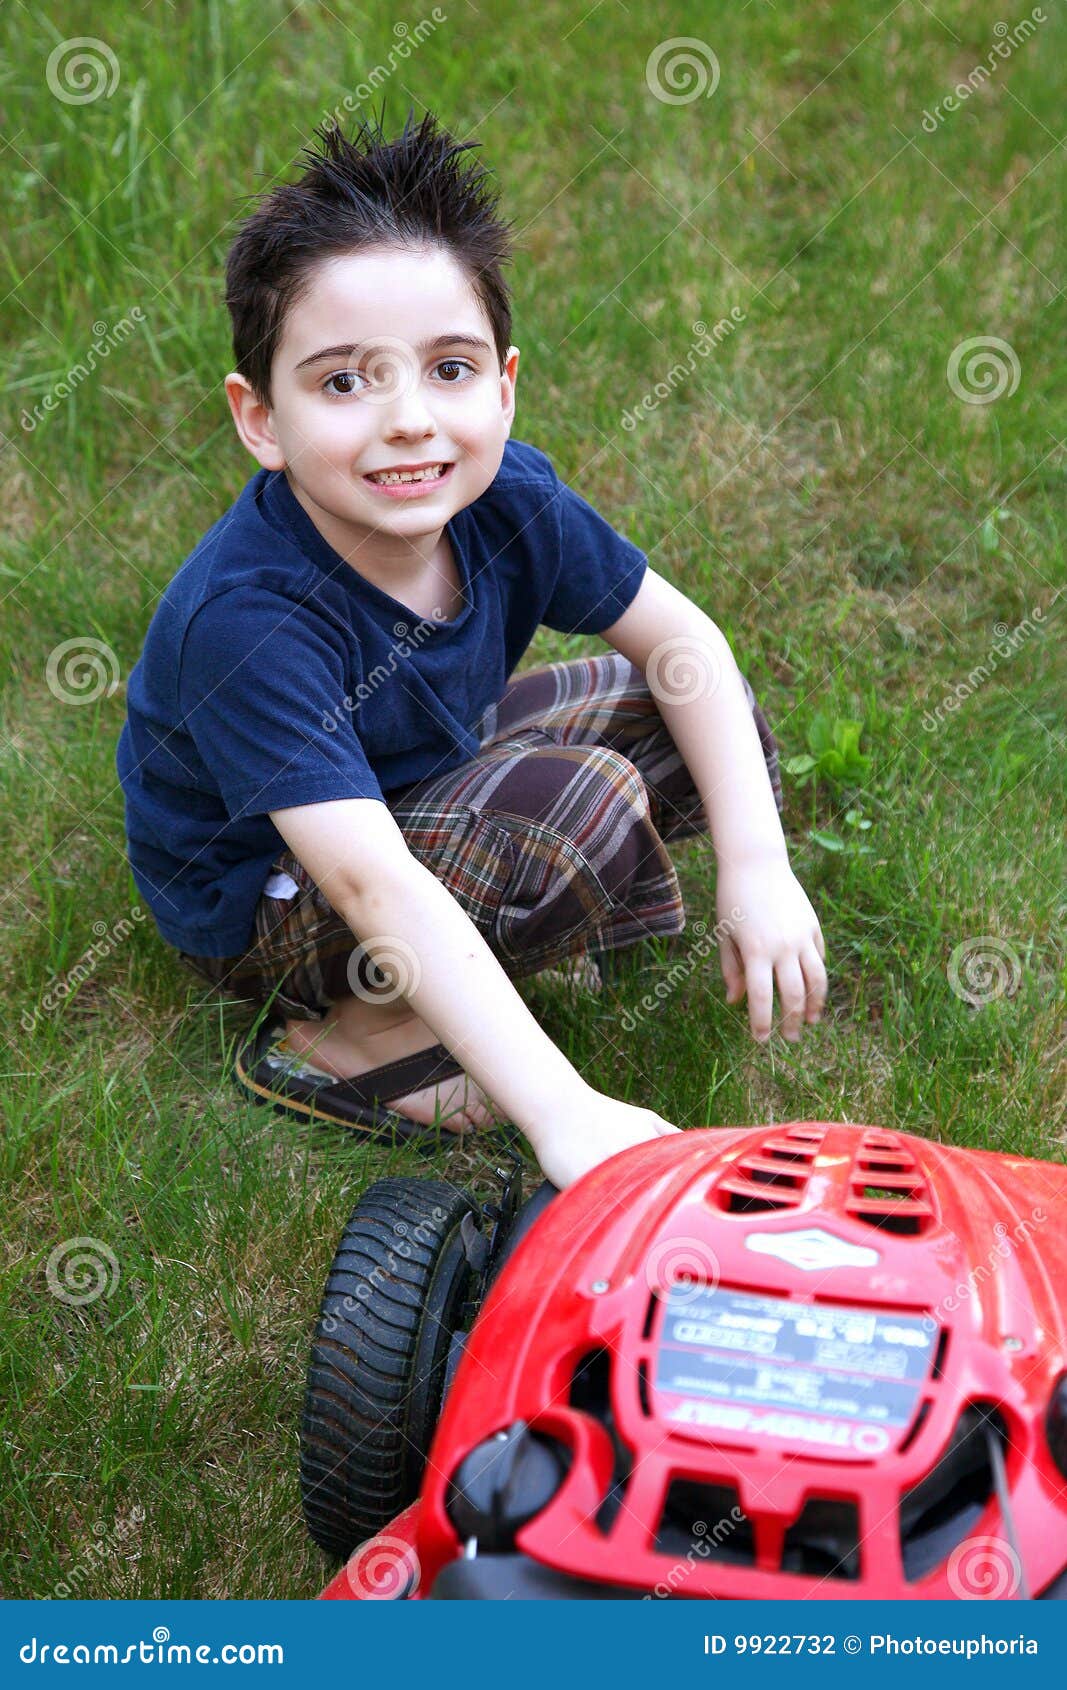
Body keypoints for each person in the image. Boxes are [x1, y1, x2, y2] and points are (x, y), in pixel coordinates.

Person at [115, 108, 827, 1191]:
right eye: (344, 381)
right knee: (579, 805)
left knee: (682, 707)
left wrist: (757, 868)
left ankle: (506, 952)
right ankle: (350, 1041)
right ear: (260, 418)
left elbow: (681, 640)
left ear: (502, 383)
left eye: (446, 369)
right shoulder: (249, 613)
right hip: (268, 891)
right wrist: (565, 1112)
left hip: (413, 782)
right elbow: (367, 880)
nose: (408, 420)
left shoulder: (509, 498)